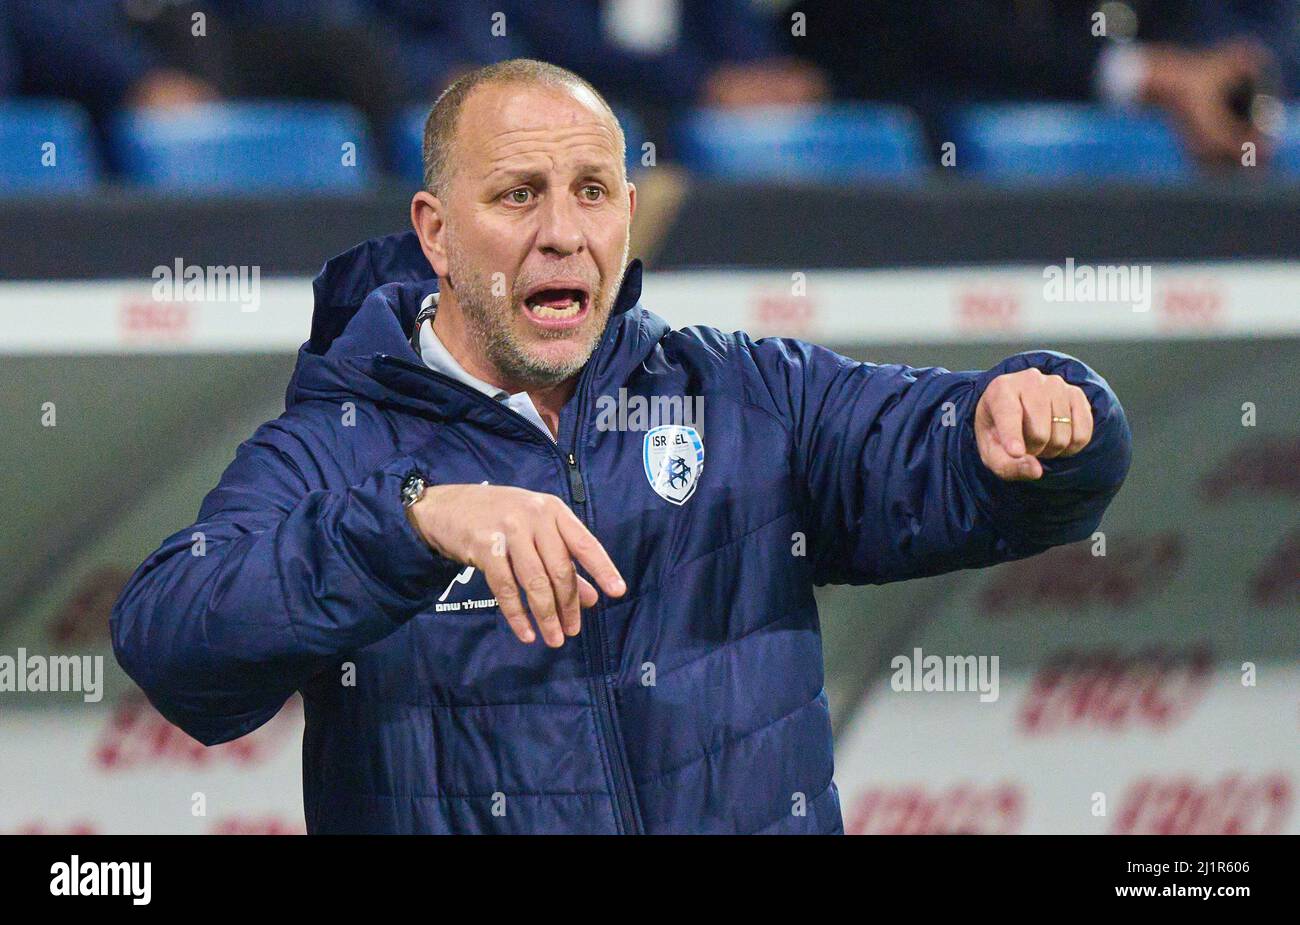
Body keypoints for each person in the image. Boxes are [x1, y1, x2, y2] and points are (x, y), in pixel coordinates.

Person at [111, 58, 1132, 834]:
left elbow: (941, 450)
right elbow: (175, 644)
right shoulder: (337, 441)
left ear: (629, 218)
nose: (562, 233)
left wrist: (1046, 418)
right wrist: (409, 520)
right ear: (434, 232)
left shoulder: (739, 393)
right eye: (518, 194)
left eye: (593, 192)